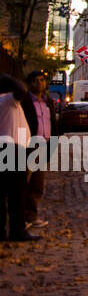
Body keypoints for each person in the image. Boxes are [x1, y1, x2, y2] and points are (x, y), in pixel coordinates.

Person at [0, 74, 38, 241]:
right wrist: (8, 78)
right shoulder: (8, 100)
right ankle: (17, 229)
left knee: (1, 192)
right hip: (12, 149)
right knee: (17, 192)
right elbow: (22, 90)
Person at [23, 71, 56, 228]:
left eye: (42, 80)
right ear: (30, 84)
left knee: (37, 184)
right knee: (23, 183)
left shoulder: (48, 102)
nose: (39, 83)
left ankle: (32, 216)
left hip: (43, 146)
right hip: (28, 145)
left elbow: (52, 123)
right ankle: (21, 218)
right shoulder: (24, 101)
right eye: (35, 80)